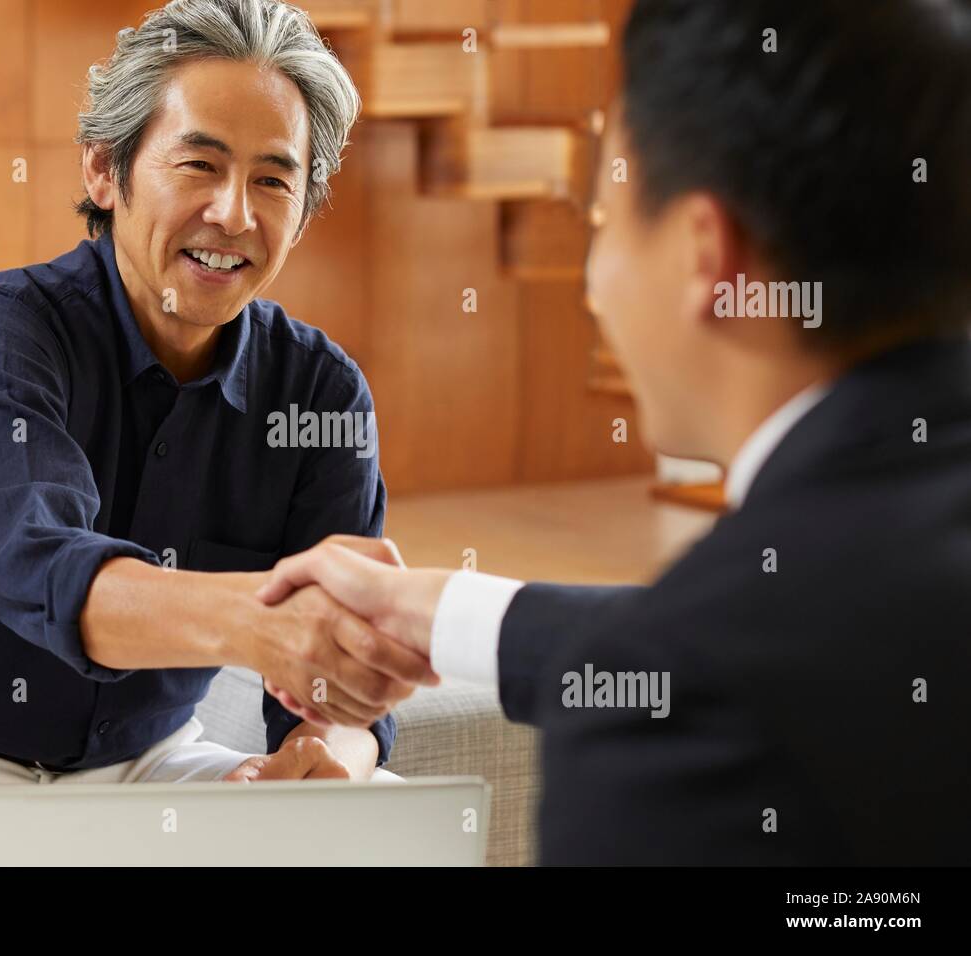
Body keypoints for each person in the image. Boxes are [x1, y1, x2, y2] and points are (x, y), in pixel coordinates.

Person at [257, 0, 971, 864]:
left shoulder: (683, 741)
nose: (595, 285)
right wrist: (451, 613)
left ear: (706, 255)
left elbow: (720, 659)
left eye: (605, 220)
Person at [0, 0, 432, 866]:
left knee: (393, 834)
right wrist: (260, 623)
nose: (233, 214)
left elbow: (338, 683)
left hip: (144, 776)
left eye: (273, 180)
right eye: (199, 164)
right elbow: (46, 571)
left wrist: (331, 752)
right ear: (106, 170)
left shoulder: (319, 393)